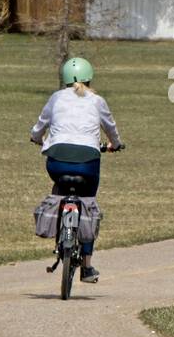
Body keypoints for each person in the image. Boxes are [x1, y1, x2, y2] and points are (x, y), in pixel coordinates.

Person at [30, 57, 124, 283]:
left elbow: (40, 124)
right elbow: (110, 127)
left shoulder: (55, 98)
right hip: (87, 162)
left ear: (64, 79)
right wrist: (116, 144)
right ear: (89, 78)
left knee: (59, 188)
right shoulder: (97, 100)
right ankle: (87, 266)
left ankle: (59, 230)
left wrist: (36, 138)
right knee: (88, 202)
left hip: (57, 161)